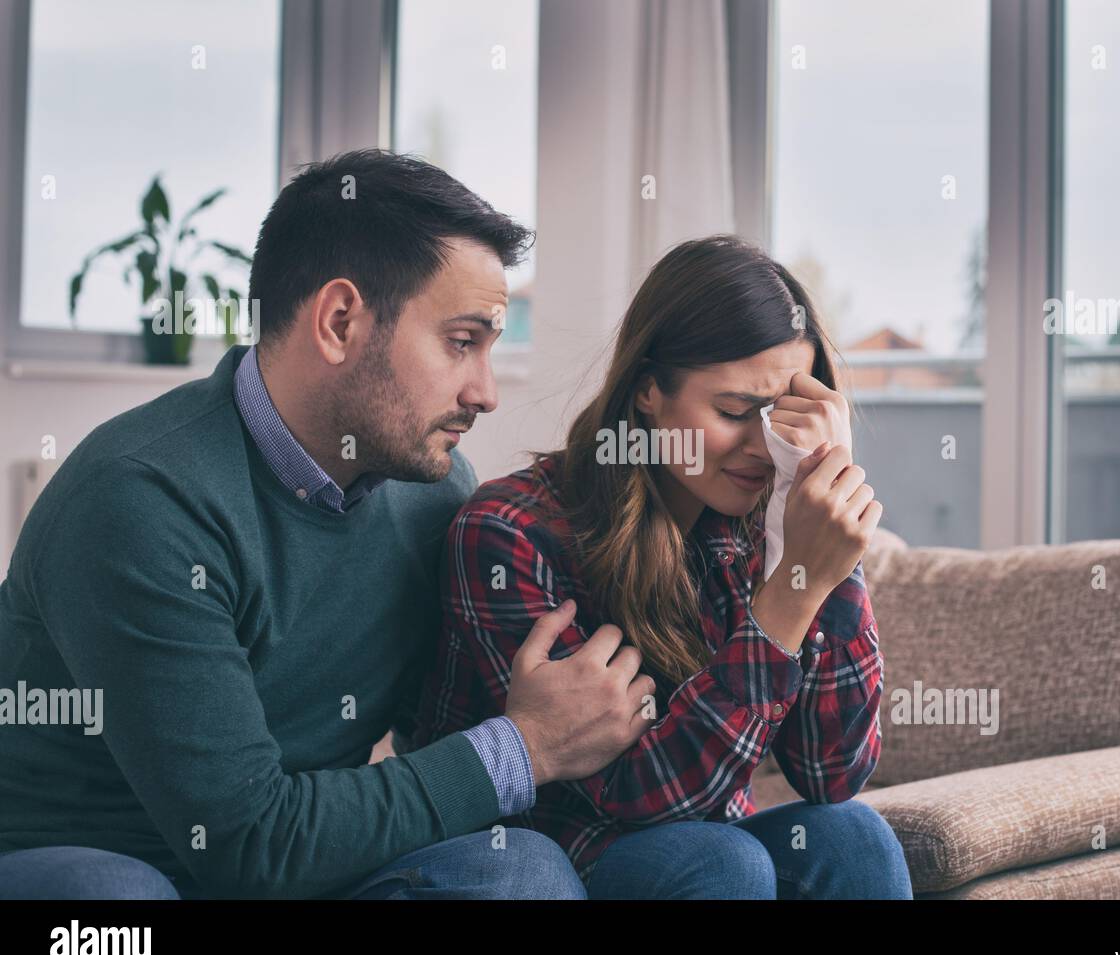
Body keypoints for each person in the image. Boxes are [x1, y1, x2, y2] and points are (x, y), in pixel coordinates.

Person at [0, 150, 655, 900]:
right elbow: (246, 841)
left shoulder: (432, 496)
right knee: (116, 901)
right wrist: (524, 746)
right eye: (461, 342)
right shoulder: (140, 501)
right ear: (340, 322)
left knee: (520, 875)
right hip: (94, 871)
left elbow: (435, 749)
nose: (485, 392)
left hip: (297, 866)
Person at [414, 235, 913, 899]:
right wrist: (788, 601)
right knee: (722, 861)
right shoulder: (511, 534)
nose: (763, 446)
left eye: (784, 417)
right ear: (648, 389)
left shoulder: (762, 520)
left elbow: (832, 774)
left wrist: (821, 532)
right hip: (544, 860)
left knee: (852, 836)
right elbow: (643, 798)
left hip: (703, 845)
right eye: (735, 412)